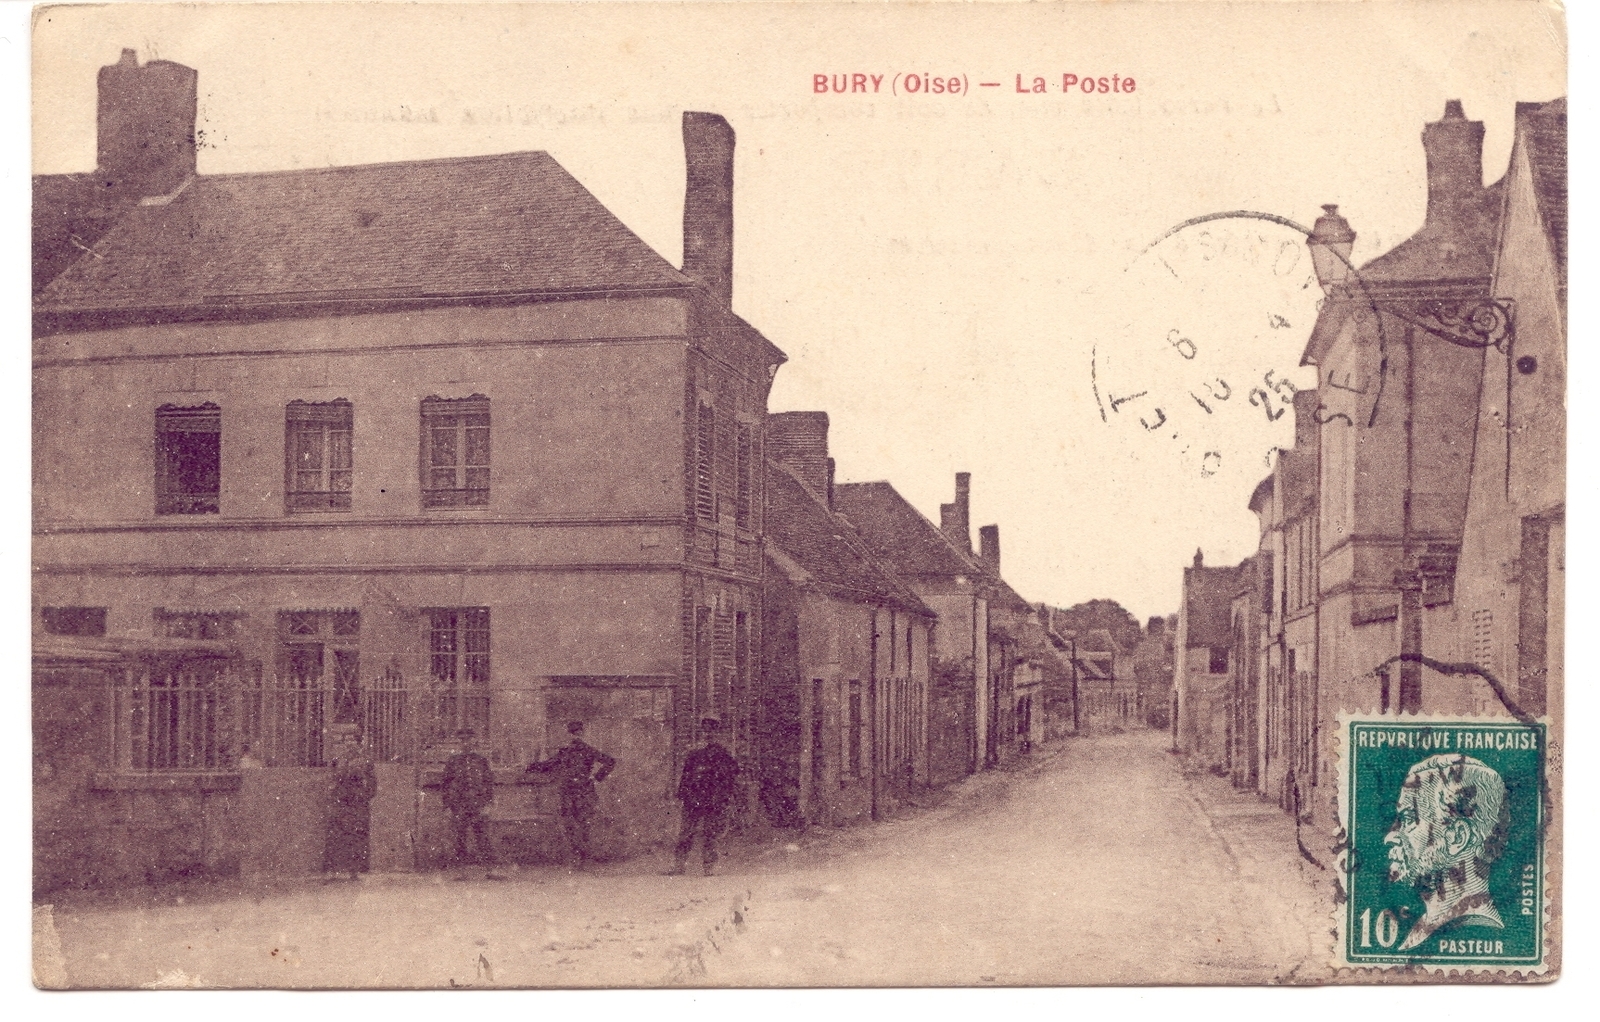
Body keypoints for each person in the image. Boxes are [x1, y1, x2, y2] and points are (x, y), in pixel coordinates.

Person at [1385, 752, 1511, 950]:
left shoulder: (1475, 931)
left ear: (1457, 838)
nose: (1390, 836)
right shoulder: (1425, 925)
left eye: (1408, 819)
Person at [526, 721, 616, 868]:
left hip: (577, 792)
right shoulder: (579, 751)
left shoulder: (575, 751)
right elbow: (549, 765)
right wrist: (596, 777)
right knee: (577, 824)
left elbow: (548, 765)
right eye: (574, 733)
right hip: (577, 791)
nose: (575, 737)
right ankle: (581, 858)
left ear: (575, 734)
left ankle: (581, 858)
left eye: (575, 733)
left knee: (577, 824)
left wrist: (531, 766)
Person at [668, 716, 740, 876]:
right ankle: (679, 865)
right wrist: (683, 794)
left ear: (717, 732)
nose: (707, 733)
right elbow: (686, 775)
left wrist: (725, 796)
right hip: (693, 797)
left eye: (711, 730)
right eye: (705, 730)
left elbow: (732, 774)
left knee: (711, 833)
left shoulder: (723, 753)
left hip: (713, 798)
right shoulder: (694, 752)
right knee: (686, 832)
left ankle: (709, 867)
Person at [323, 737, 377, 881]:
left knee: (355, 837)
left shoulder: (365, 760)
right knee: (336, 836)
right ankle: (333, 872)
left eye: (353, 740)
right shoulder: (337, 759)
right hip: (340, 802)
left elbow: (372, 782)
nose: (350, 744)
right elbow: (332, 778)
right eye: (347, 740)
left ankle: (354, 872)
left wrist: (364, 796)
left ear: (358, 743)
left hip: (356, 803)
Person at [441, 730, 495, 865]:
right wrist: (447, 805)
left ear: (474, 741)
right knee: (460, 836)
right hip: (459, 803)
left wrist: (488, 803)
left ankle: (488, 869)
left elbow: (488, 783)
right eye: (462, 740)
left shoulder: (481, 761)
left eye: (468, 740)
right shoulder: (453, 761)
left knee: (482, 836)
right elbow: (446, 784)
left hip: (478, 802)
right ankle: (461, 869)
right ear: (459, 743)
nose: (465, 743)